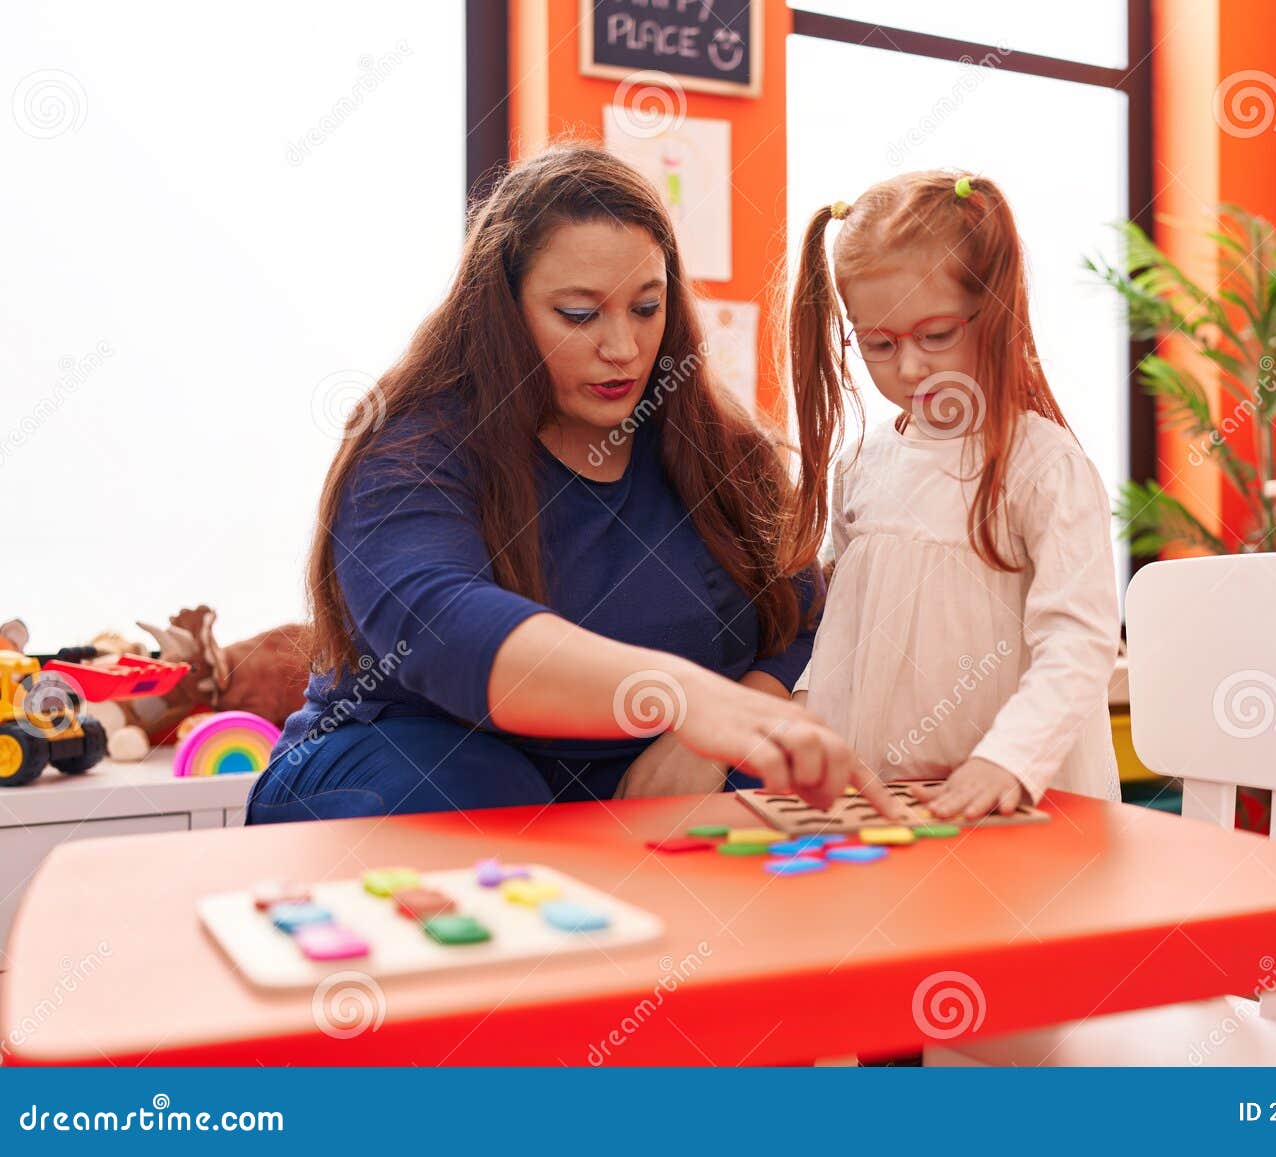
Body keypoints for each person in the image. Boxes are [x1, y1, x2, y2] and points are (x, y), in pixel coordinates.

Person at [248, 145, 898, 825]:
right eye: (580, 315)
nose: (622, 347)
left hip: (614, 786)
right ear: (501, 309)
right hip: (399, 766)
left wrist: (704, 739)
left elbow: (797, 615)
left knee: (758, 774)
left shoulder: (720, 449)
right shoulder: (415, 447)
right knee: (483, 785)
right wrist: (686, 696)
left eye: (646, 308)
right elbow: (446, 628)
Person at [783, 171, 1121, 821]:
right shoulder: (863, 465)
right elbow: (844, 628)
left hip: (1025, 799)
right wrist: (806, 720)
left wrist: (1006, 759)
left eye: (936, 335)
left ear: (991, 311)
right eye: (879, 344)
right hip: (896, 802)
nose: (909, 368)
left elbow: (1079, 639)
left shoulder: (1043, 466)